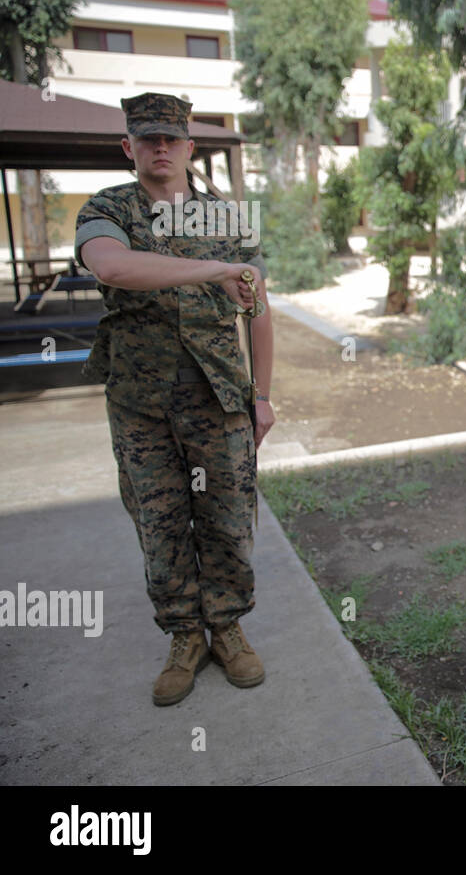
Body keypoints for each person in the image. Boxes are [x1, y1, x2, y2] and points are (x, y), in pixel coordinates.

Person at [76, 92, 275, 706]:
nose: (159, 148)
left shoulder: (228, 222)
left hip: (219, 401)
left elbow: (260, 310)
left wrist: (262, 396)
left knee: (228, 522)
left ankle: (227, 627)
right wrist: (211, 271)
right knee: (159, 526)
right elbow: (111, 267)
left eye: (171, 139)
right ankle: (185, 635)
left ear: (189, 147)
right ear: (128, 147)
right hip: (141, 408)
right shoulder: (108, 209)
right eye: (147, 139)